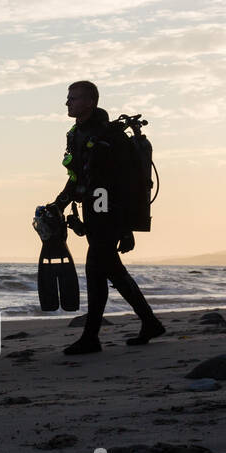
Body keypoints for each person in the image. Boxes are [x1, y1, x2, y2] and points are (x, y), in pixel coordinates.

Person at [51, 81, 165, 354]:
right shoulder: (76, 133)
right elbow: (77, 177)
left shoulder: (110, 136)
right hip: (93, 214)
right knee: (109, 269)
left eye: (74, 98)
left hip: (111, 216)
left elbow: (127, 184)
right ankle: (149, 323)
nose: (67, 103)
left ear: (90, 102)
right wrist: (59, 204)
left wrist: (127, 228)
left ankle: (92, 337)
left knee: (96, 269)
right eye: (68, 98)